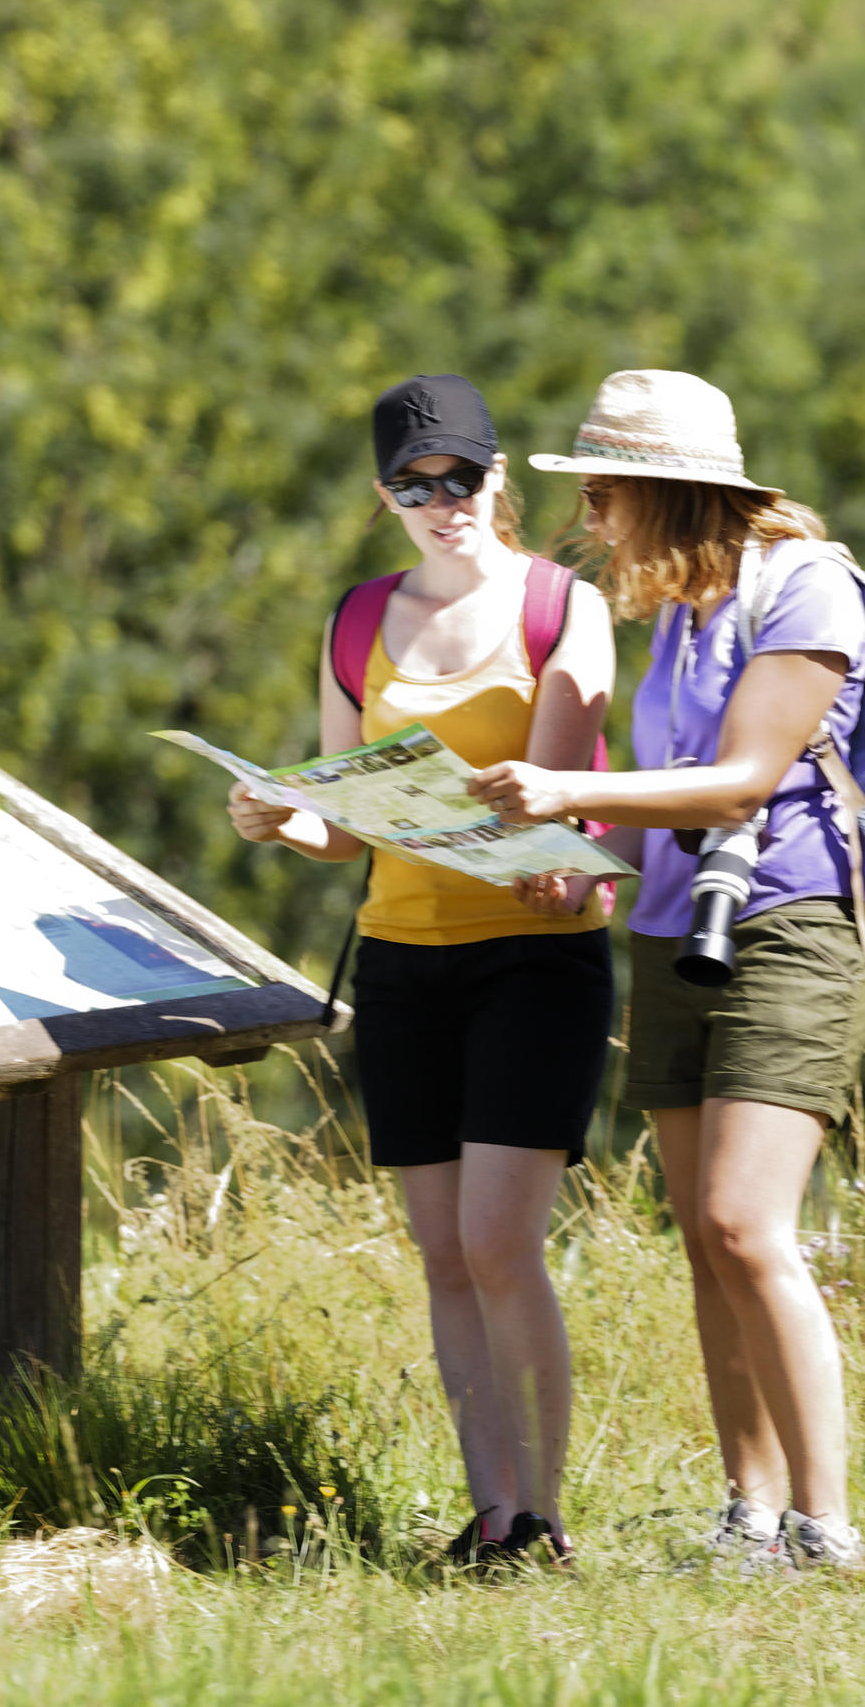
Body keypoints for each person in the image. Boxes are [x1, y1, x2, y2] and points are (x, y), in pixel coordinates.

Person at [468, 368, 865, 1574]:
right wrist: (584, 859)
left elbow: (747, 776)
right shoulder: (688, 611)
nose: (593, 519)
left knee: (750, 1224)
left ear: (668, 493)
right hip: (671, 928)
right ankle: (748, 1510)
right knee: (702, 1234)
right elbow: (665, 806)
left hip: (792, 925)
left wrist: (570, 789)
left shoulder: (809, 591)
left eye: (605, 494)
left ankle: (826, 1524)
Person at [229, 374, 615, 1571]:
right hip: (402, 958)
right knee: (443, 1252)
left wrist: (548, 866)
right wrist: (273, 817)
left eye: (460, 478)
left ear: (500, 476)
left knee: (502, 1241)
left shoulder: (562, 607)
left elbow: (550, 815)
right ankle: (491, 1509)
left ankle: (545, 1512)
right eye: (414, 484)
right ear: (383, 494)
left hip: (534, 957)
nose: (441, 502)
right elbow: (344, 824)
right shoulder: (358, 620)